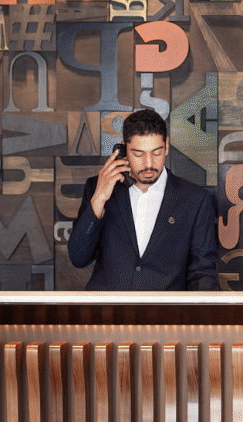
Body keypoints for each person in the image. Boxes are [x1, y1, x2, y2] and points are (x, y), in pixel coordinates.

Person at [67, 108, 219, 291]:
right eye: (138, 154)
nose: (148, 164)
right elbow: (78, 258)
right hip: (107, 307)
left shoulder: (195, 199)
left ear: (166, 146)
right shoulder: (97, 188)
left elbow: (203, 273)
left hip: (165, 308)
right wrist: (99, 198)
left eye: (156, 153)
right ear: (124, 148)